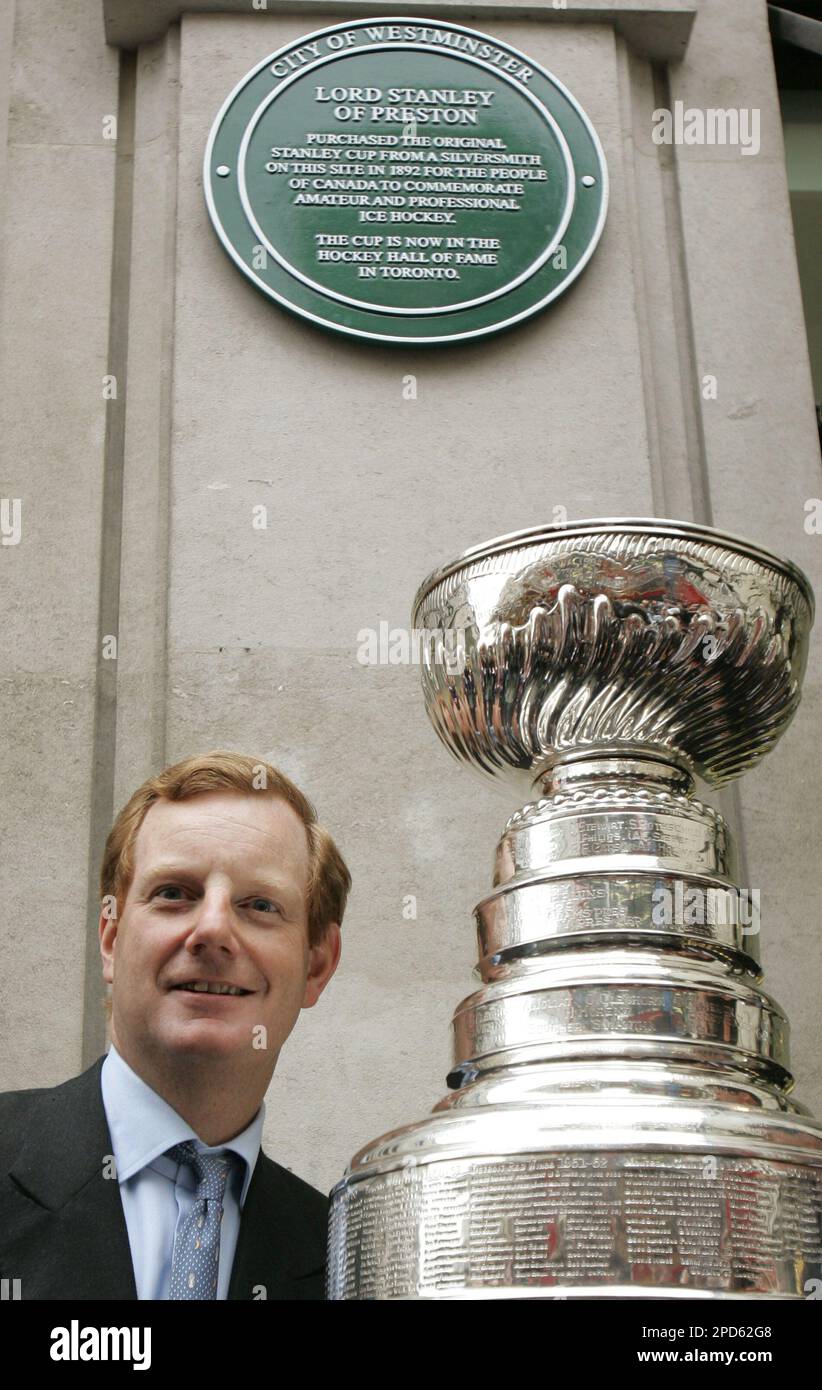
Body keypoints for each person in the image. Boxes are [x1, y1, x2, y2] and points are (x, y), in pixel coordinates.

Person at [0, 751, 349, 1300]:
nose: (212, 929)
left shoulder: (344, 1262)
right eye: (174, 894)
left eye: (258, 904)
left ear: (317, 965)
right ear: (111, 940)